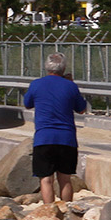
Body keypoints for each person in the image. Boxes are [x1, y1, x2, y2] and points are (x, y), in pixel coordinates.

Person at [24, 52, 88, 205]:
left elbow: (27, 103)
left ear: (46, 67)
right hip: (67, 139)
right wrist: (71, 84)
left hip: (43, 138)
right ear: (63, 68)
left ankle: (49, 211)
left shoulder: (36, 84)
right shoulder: (70, 86)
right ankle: (66, 211)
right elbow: (81, 109)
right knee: (65, 179)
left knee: (46, 179)